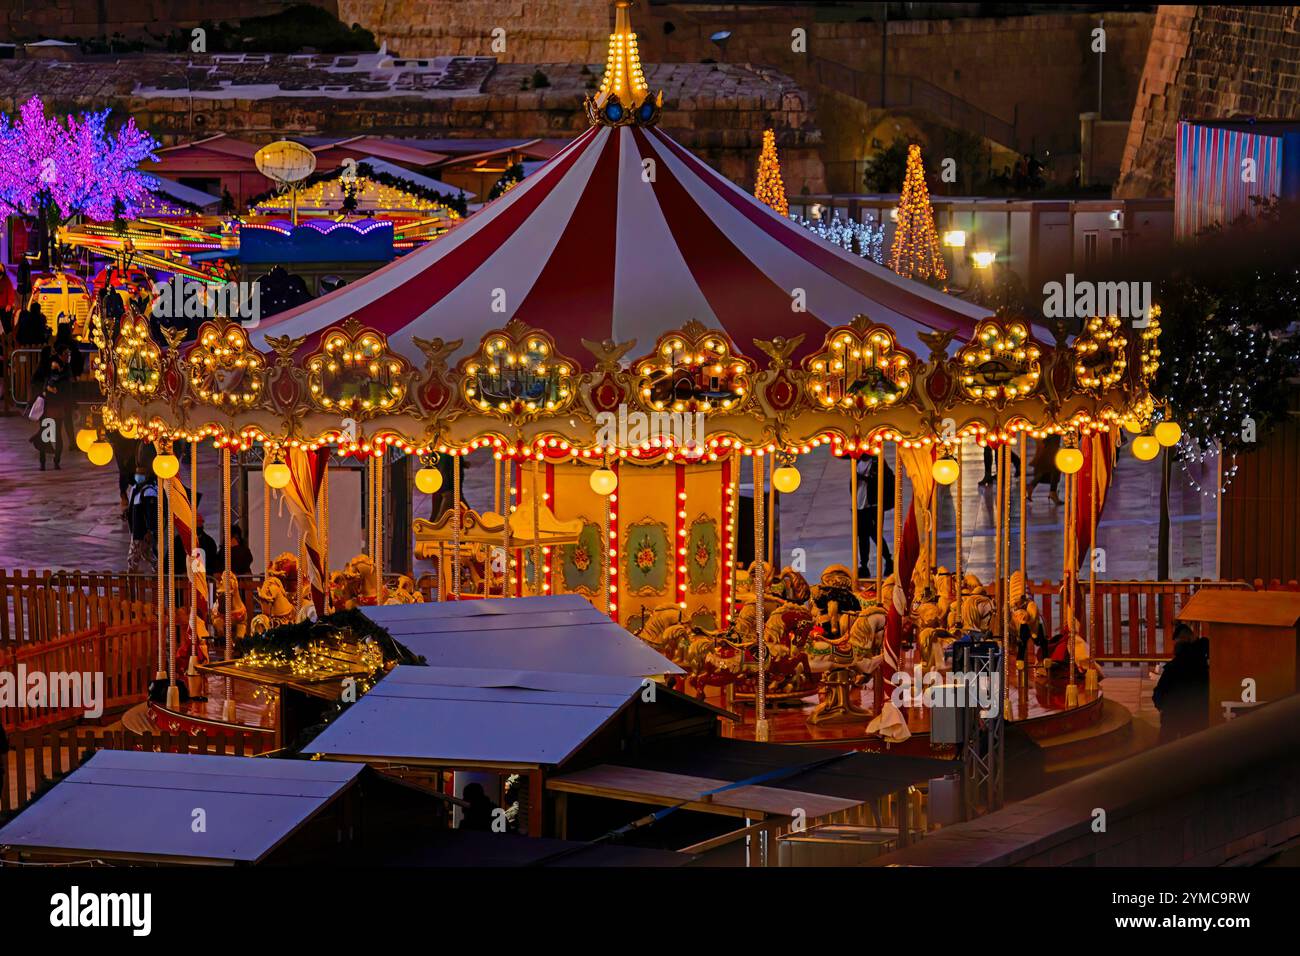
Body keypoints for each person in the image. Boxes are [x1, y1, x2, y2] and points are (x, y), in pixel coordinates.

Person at [1152, 624, 1210, 744]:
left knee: (1166, 750)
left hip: (1174, 714)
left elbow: (1159, 693)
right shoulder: (1203, 664)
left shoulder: (1174, 667)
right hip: (1198, 716)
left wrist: (1162, 706)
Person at [856, 455, 893, 577]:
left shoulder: (877, 461)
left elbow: (881, 480)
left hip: (874, 505)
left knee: (875, 534)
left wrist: (863, 478)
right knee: (862, 537)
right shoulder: (857, 460)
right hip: (860, 504)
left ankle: (888, 560)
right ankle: (864, 566)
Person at [126, 466, 159, 573]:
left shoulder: (149, 491)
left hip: (143, 533)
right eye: (137, 473)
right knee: (149, 556)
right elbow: (132, 508)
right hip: (135, 532)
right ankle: (159, 573)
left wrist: (150, 531)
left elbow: (151, 513)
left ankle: (131, 581)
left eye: (141, 474)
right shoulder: (135, 488)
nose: (138, 476)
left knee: (134, 558)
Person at [1026, 434, 1063, 506]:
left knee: (1050, 466)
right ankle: (1052, 492)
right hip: (1050, 436)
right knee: (1053, 465)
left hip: (1049, 438)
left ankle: (1032, 486)